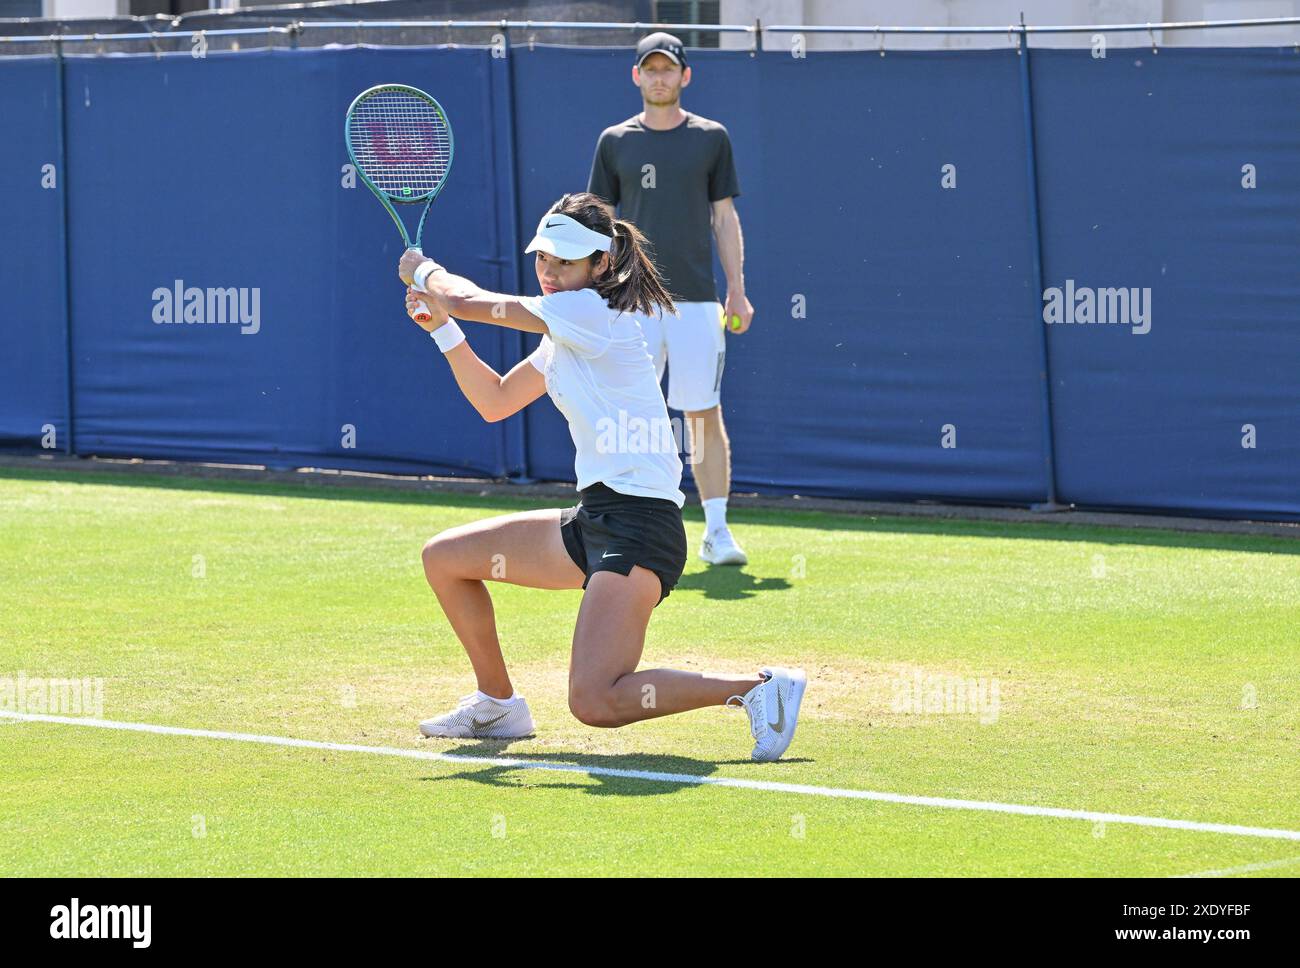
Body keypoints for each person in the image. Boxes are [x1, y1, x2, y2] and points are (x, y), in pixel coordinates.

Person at [396, 192, 805, 761]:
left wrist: (427, 272)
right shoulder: (564, 332)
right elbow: (494, 401)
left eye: (565, 262)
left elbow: (472, 300)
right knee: (445, 558)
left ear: (600, 265)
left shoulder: (592, 313)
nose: (550, 273)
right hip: (594, 522)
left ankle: (758, 691)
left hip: (640, 529)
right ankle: (499, 704)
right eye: (543, 259)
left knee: (594, 701)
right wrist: (443, 331)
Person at [588, 31, 752, 567]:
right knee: (631, 416)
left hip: (698, 303)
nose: (659, 77)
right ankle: (624, 530)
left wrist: (737, 291)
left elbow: (724, 218)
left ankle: (717, 532)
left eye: (668, 69)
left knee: (702, 413)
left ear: (685, 76)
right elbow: (602, 224)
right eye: (650, 69)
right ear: (637, 76)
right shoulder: (615, 141)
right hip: (631, 303)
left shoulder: (711, 138)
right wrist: (597, 291)